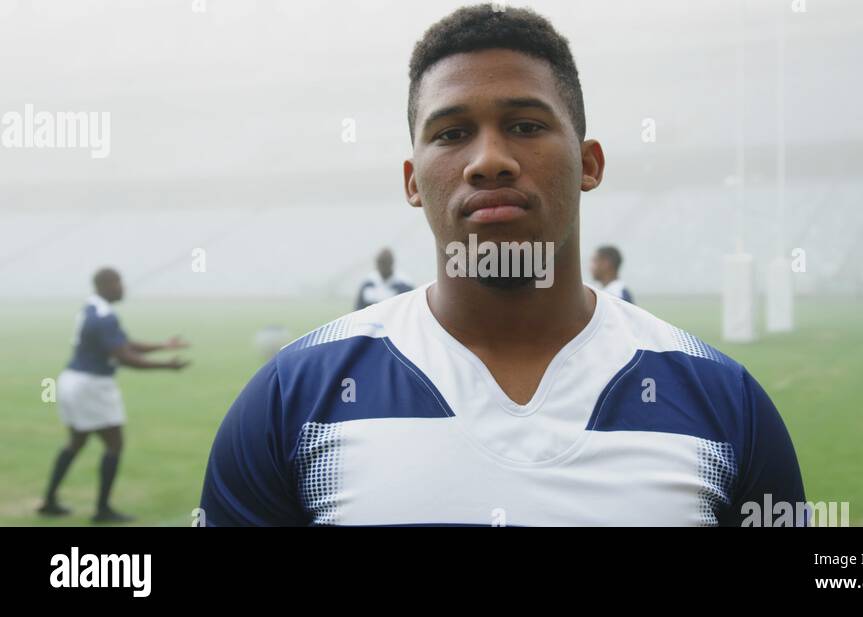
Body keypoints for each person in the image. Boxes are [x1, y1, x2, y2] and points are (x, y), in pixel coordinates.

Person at [201, 4, 805, 526]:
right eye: (452, 133)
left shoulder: (725, 407)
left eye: (525, 126)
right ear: (413, 181)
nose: (489, 160)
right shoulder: (293, 400)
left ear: (589, 163)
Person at [40, 268, 190, 523]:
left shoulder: (92, 308)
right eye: (119, 283)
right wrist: (168, 366)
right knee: (114, 444)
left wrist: (163, 345)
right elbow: (126, 358)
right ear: (106, 285)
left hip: (73, 381)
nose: (123, 288)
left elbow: (125, 344)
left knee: (76, 442)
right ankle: (102, 510)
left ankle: (50, 501)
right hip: (92, 385)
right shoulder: (104, 316)